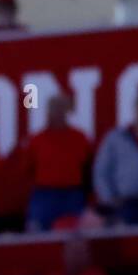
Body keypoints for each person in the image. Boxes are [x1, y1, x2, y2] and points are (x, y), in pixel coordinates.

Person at [93, 86, 138, 224]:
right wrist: (109, 198)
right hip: (127, 201)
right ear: (135, 108)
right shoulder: (116, 138)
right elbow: (101, 171)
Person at [22, 93, 92, 231]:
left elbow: (87, 166)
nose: (57, 112)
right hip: (44, 194)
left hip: (72, 194)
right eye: (53, 108)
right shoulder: (36, 139)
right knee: (38, 235)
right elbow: (27, 169)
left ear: (68, 110)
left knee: (76, 234)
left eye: (61, 107)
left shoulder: (79, 138)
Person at [39, 234, 111, 275]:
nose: (76, 256)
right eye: (73, 252)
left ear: (88, 255)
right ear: (64, 254)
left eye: (80, 252)